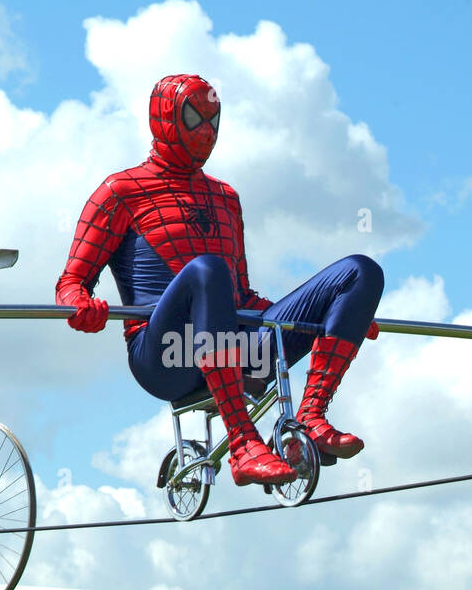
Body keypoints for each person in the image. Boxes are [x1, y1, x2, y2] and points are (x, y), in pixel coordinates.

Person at [56, 74, 384, 486]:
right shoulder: (121, 191)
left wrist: (339, 315)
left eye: (214, 119)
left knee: (360, 271)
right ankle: (242, 441)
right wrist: (80, 304)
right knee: (208, 269)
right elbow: (71, 282)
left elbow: (243, 298)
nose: (206, 131)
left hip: (238, 346)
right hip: (166, 358)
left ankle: (312, 417)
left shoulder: (225, 197)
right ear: (165, 118)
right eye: (195, 117)